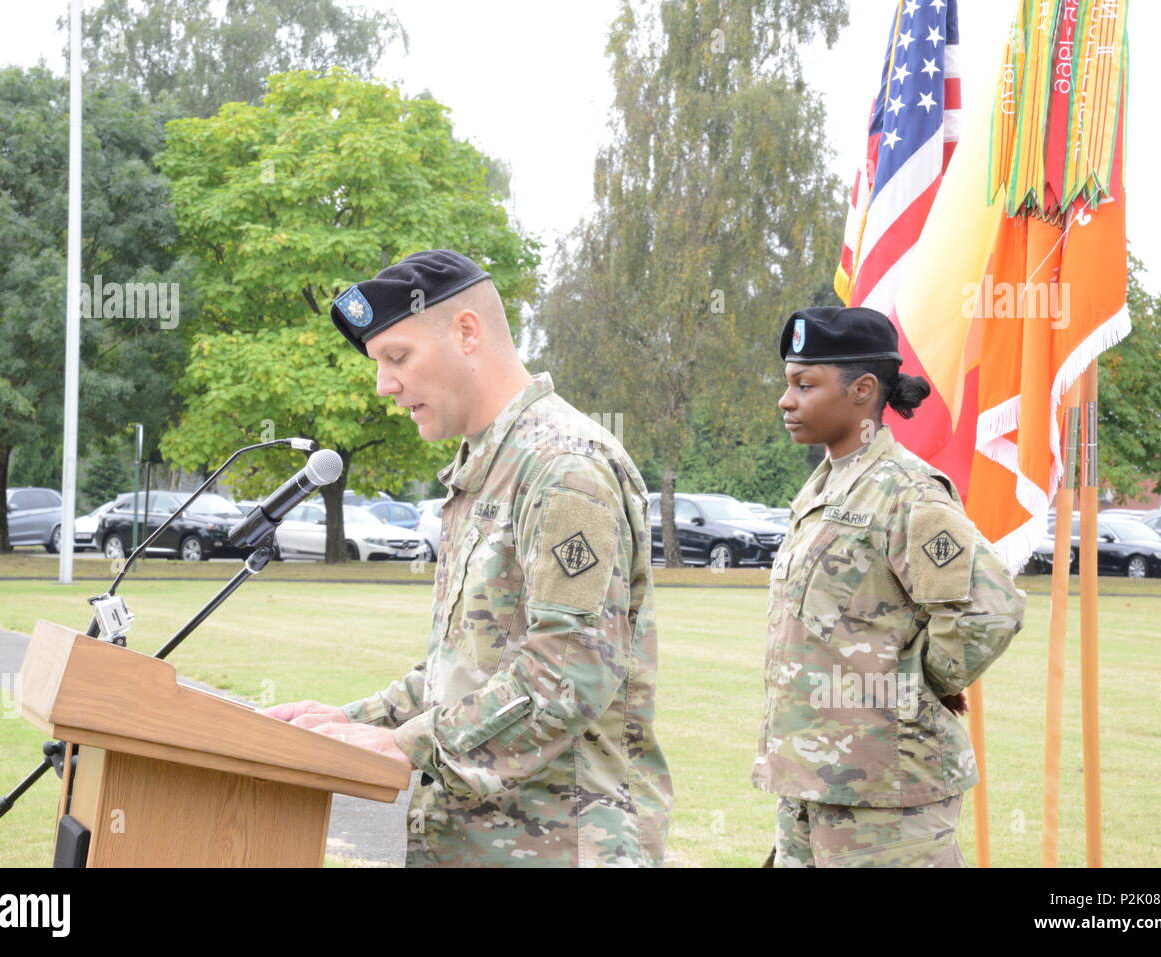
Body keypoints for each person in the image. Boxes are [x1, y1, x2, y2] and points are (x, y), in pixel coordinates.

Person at [265, 249, 672, 867]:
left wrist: (409, 745)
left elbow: (566, 674)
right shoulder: (488, 467)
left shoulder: (563, 468)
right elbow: (466, 671)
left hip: (559, 846)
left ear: (466, 331)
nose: (384, 385)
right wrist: (348, 722)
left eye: (397, 357)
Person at [754, 305, 1026, 867]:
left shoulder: (906, 493)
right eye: (788, 385)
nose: (787, 401)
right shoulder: (827, 487)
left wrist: (913, 688)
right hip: (813, 781)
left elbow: (990, 610)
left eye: (805, 385)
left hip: (886, 795)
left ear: (863, 391)